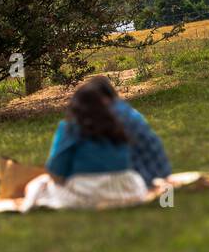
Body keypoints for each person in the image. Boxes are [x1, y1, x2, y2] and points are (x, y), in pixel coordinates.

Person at [18, 80, 149, 211]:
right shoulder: (121, 126)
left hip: (87, 191)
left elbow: (56, 170)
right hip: (127, 190)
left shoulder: (69, 128)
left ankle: (29, 205)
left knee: (38, 183)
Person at [85, 76, 171, 186]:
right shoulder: (126, 110)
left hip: (142, 179)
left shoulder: (111, 116)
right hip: (162, 170)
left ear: (102, 98)